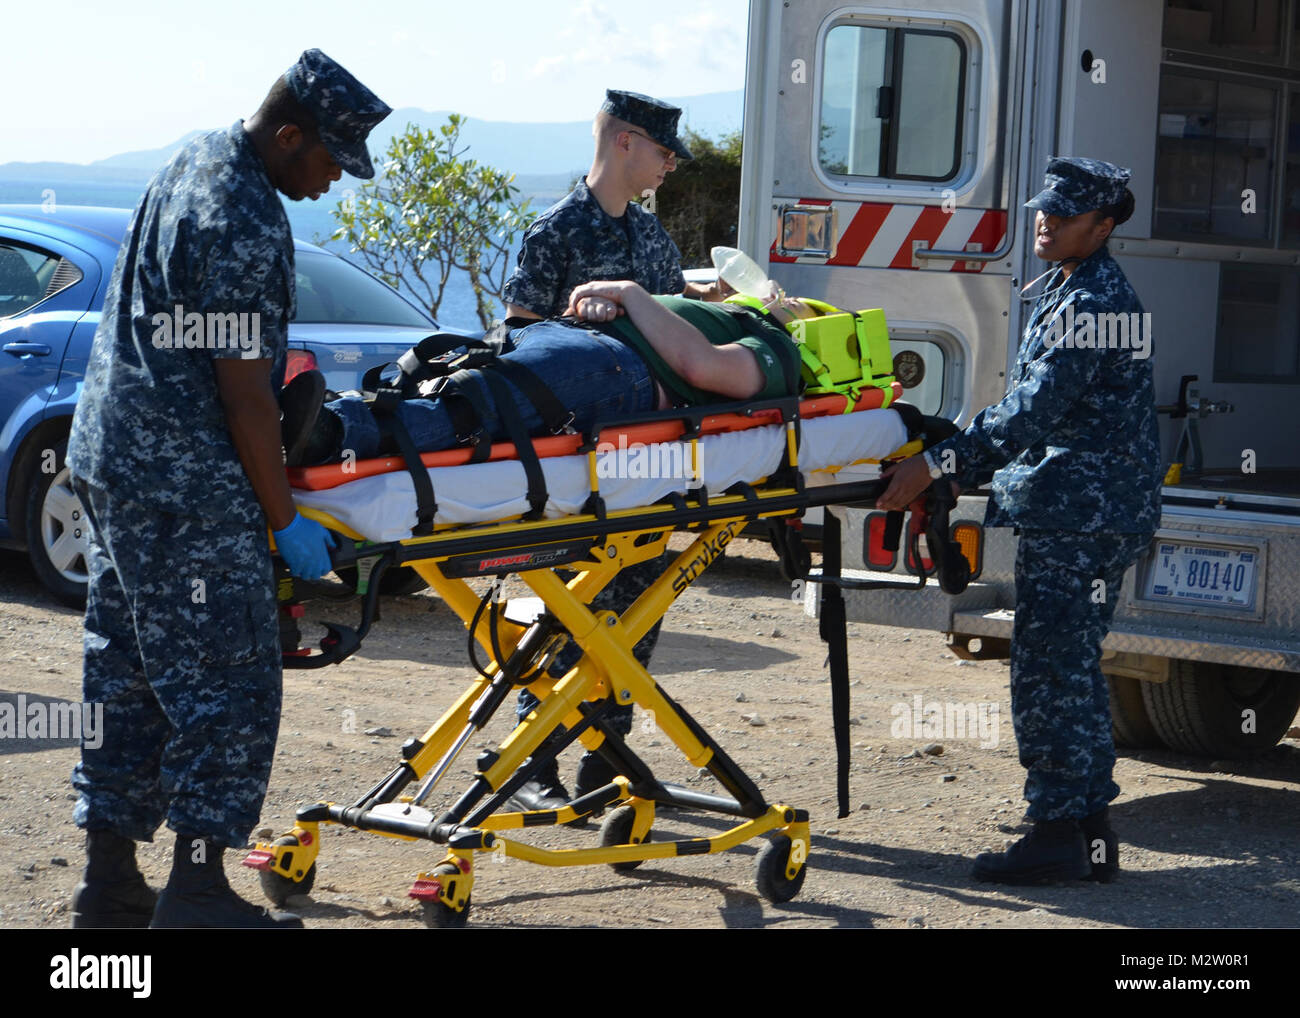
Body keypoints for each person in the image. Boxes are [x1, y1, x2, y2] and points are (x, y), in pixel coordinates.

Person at [66, 50, 390, 929]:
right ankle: (201, 892)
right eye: (329, 161)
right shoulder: (245, 213)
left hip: (111, 460)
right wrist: (284, 520)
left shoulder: (194, 155)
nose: (332, 182)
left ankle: (109, 886)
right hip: (188, 488)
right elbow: (245, 392)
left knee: (125, 671)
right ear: (289, 135)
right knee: (230, 679)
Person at [876, 157, 1163, 885]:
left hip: (1081, 514)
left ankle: (1056, 834)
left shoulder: (1096, 302)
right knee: (1073, 672)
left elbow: (1033, 413)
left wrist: (938, 465)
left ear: (1102, 227)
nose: (1046, 221)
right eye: (1044, 209)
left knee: (1050, 674)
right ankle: (1090, 833)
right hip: (1083, 509)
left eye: (1064, 216)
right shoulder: (1070, 286)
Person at [499, 89, 726, 812]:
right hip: (572, 462)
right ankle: (534, 761)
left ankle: (608, 758)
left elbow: (676, 334)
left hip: (648, 458)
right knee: (570, 610)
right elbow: (519, 350)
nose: (669, 167)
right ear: (626, 142)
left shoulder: (653, 244)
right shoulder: (556, 233)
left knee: (638, 609)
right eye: (663, 153)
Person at [283, 281, 802, 466]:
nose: (787, 296)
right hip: (571, 339)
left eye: (800, 304)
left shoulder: (780, 349)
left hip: (620, 371)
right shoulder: (722, 314)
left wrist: (628, 294)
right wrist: (597, 298)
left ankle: (332, 435)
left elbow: (699, 366)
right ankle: (314, 415)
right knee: (443, 373)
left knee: (476, 403)